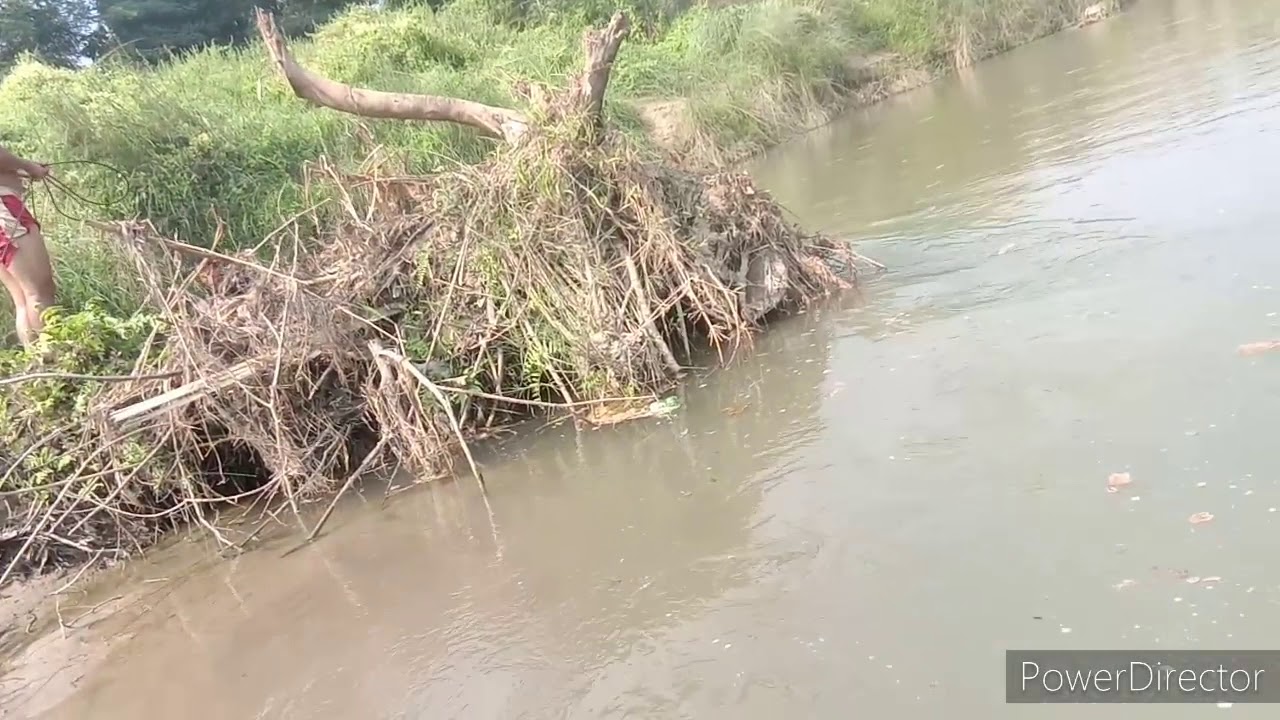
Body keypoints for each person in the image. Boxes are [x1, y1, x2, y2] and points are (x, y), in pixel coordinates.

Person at [0, 145, 52, 346]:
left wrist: (19, 169)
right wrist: (27, 166)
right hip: (4, 208)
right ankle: (53, 361)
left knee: (23, 298)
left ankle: (39, 366)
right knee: (39, 292)